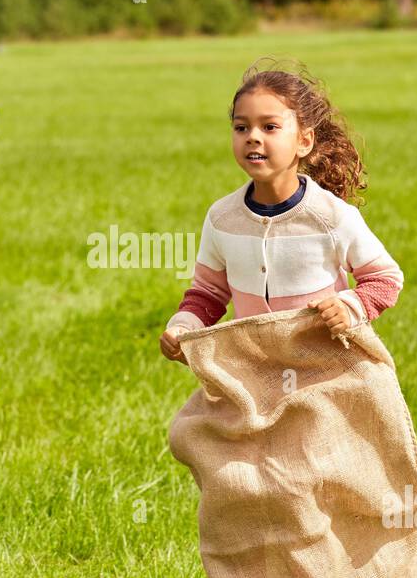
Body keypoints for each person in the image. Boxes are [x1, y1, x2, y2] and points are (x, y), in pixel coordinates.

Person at [159, 60, 403, 364]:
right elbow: (208, 294)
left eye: (270, 126)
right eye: (241, 127)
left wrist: (351, 307)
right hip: (253, 372)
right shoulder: (221, 219)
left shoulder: (332, 217)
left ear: (304, 141)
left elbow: (385, 278)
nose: (253, 136)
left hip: (326, 372)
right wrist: (184, 328)